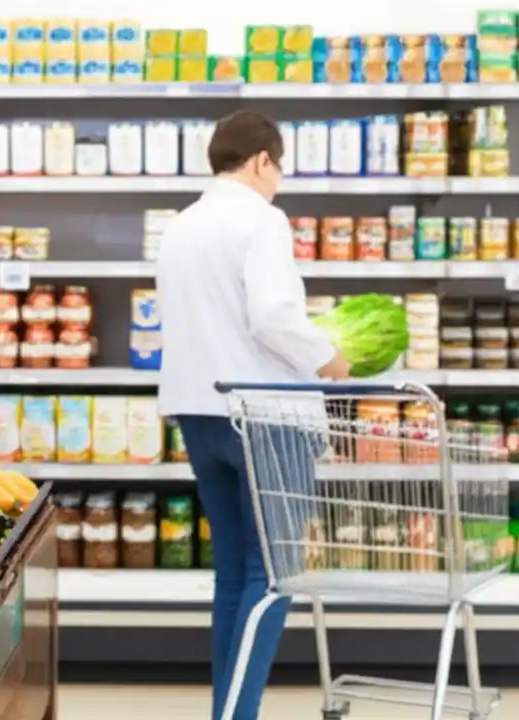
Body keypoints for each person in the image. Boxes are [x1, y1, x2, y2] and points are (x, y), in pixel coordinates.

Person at [156, 109, 350, 720]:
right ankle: (236, 716)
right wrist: (327, 359)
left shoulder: (181, 225)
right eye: (279, 168)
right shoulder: (261, 219)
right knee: (272, 579)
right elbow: (273, 316)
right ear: (264, 159)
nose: (279, 181)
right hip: (265, 415)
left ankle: (227, 710)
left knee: (234, 573)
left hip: (199, 409)